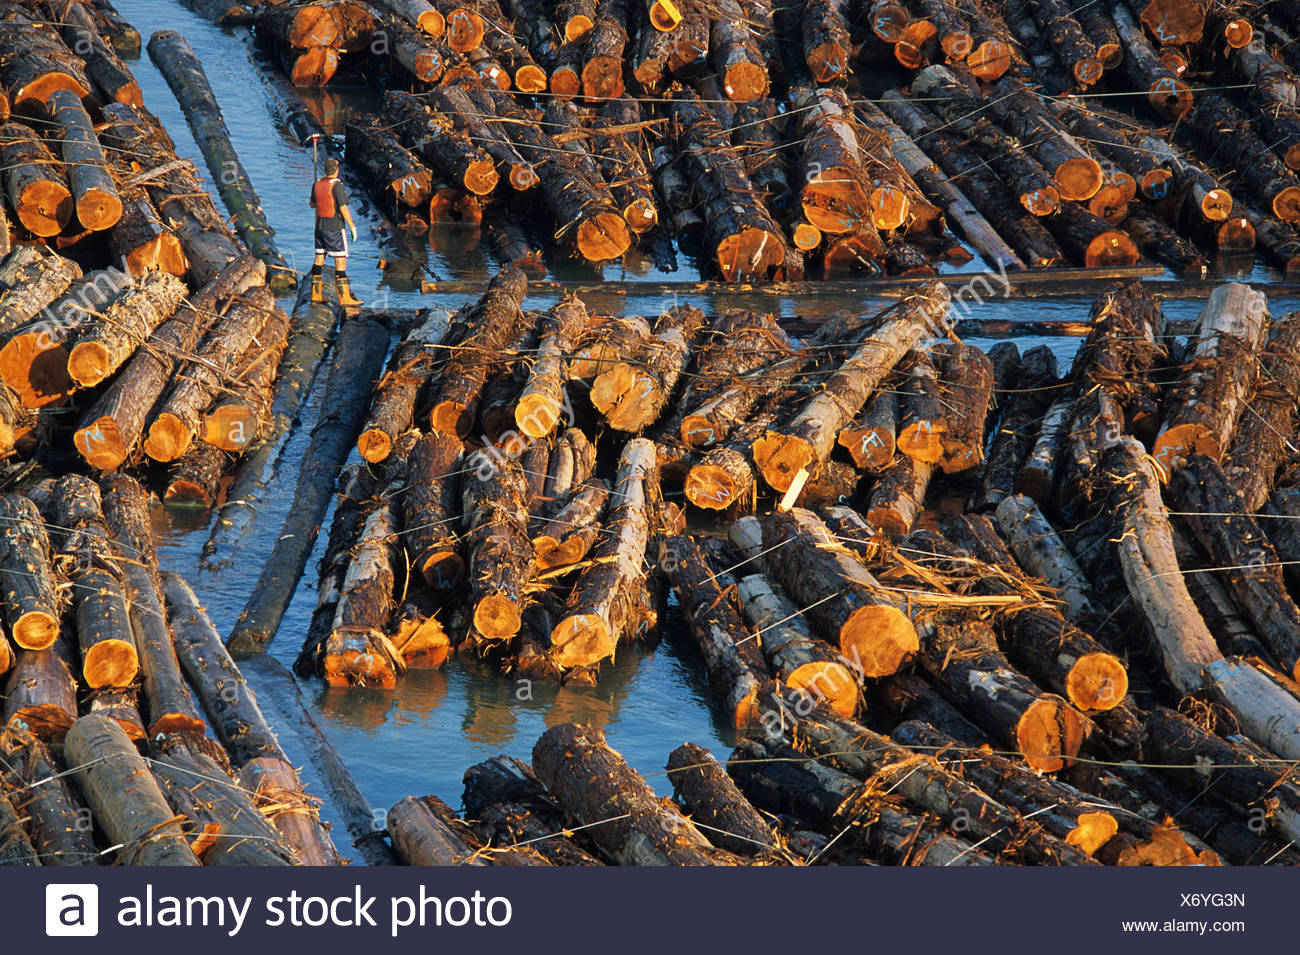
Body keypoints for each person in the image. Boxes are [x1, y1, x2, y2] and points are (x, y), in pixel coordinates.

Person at [308, 157, 362, 306]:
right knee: (340, 261)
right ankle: (344, 297)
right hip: (334, 227)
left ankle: (315, 294)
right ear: (336, 170)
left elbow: (312, 204)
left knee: (319, 258)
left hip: (319, 227)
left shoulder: (317, 184)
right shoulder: (337, 186)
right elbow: (343, 208)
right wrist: (352, 226)